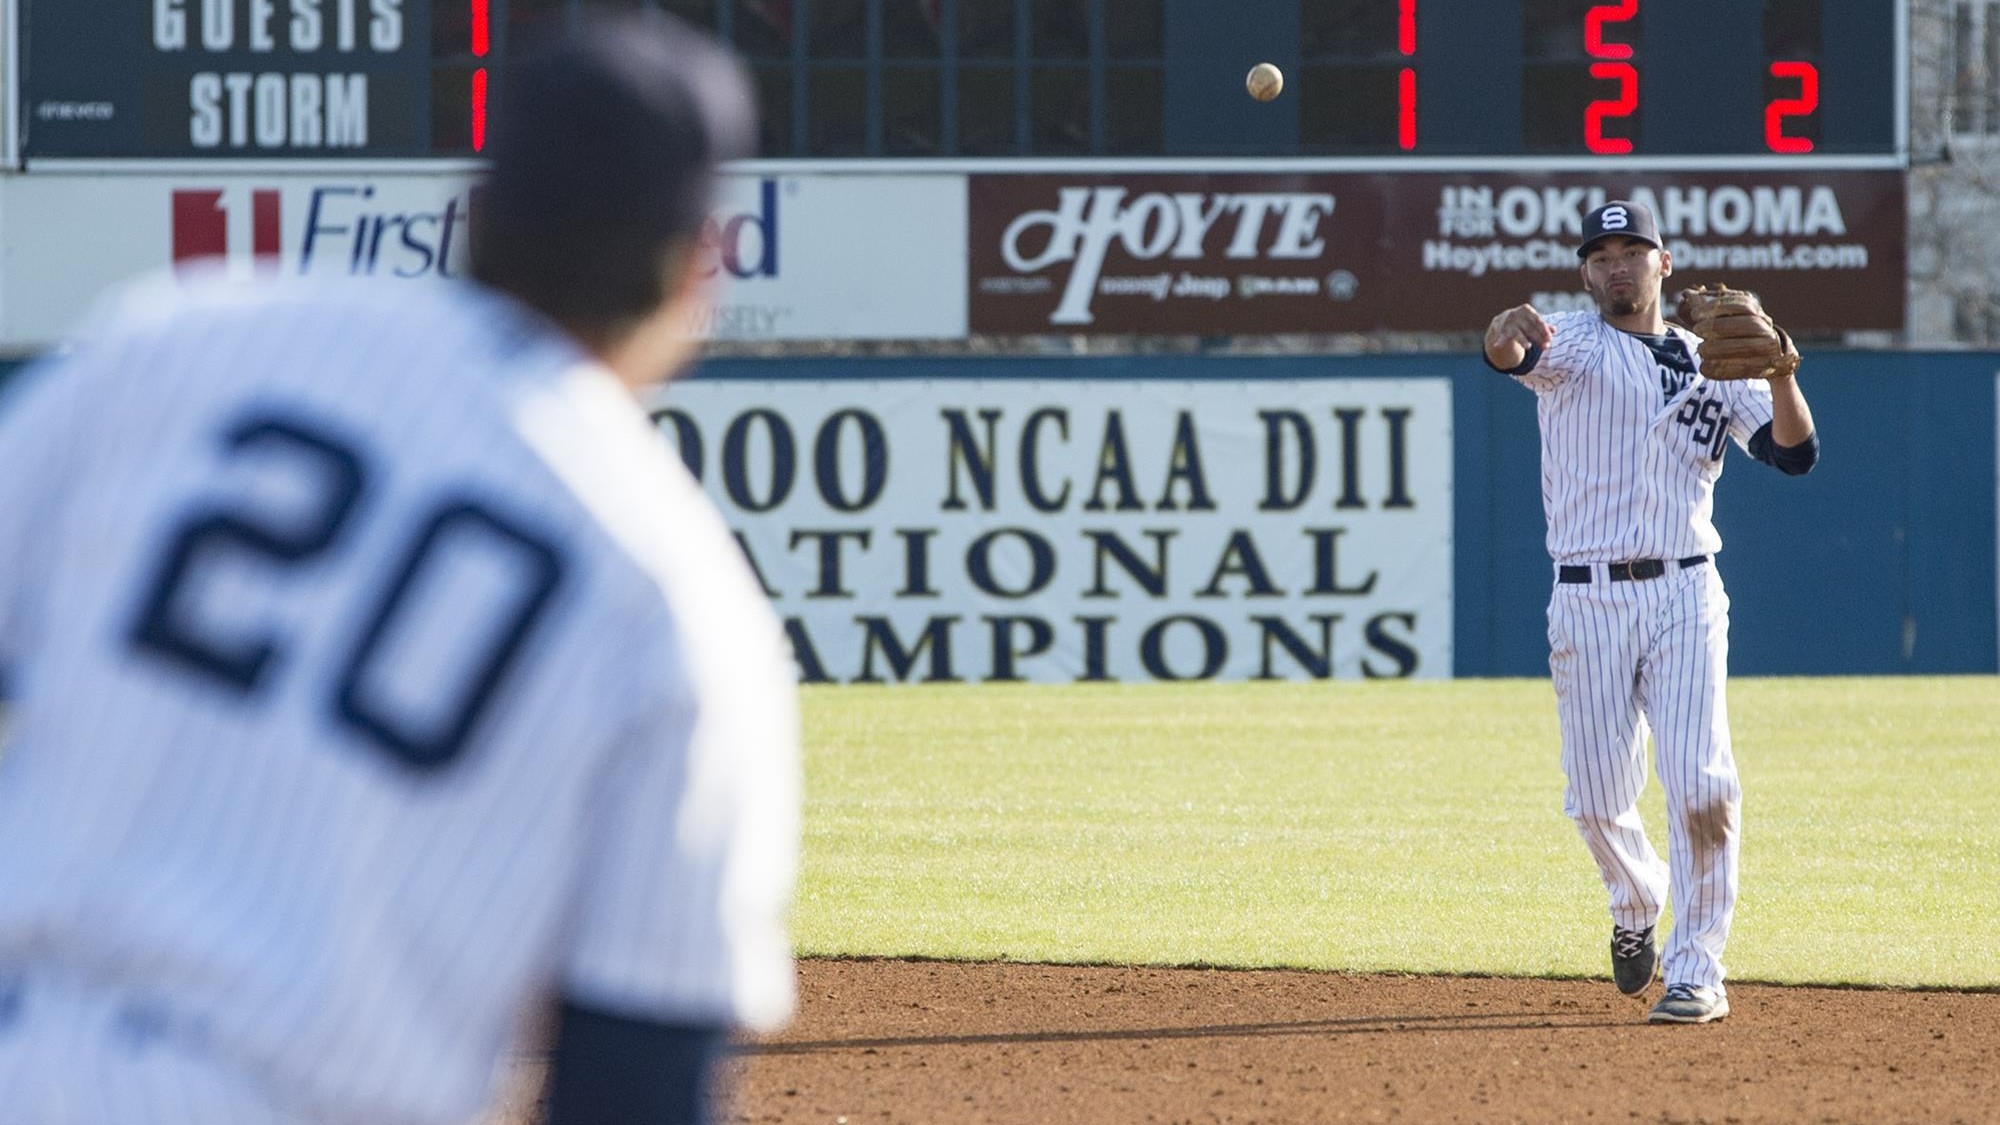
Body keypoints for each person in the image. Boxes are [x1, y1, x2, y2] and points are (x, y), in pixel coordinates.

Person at [0, 12, 797, 1123]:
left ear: (472, 214)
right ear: (699, 268)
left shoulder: (185, 344)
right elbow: (633, 1079)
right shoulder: (671, 598)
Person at [1480, 200, 1819, 1025]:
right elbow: (1506, 353)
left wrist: (1780, 374)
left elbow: (1794, 453)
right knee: (1596, 797)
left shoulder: (1717, 361)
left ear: (1664, 264)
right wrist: (1501, 330)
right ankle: (1636, 900)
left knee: (1703, 783)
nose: (1617, 265)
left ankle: (1698, 968)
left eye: (1634, 250)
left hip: (1686, 588)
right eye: (1601, 255)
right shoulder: (1569, 342)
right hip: (1588, 593)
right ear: (1586, 273)